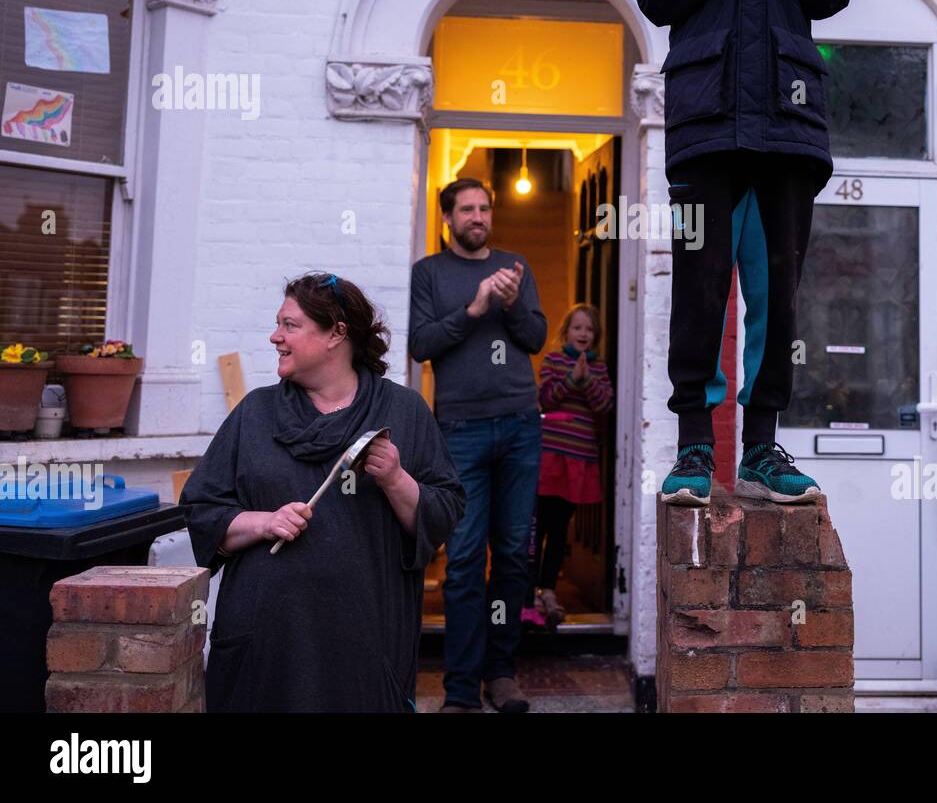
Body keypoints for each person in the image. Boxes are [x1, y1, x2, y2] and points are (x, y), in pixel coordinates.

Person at [631, 0, 851, 507]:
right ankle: (695, 442)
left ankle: (761, 447)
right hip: (705, 128)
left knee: (776, 296)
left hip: (786, 132)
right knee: (700, 290)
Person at [181, 273, 466, 713]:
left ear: (336, 332)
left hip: (363, 651)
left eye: (290, 325)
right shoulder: (255, 413)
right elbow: (202, 511)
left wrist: (395, 478)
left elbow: (444, 513)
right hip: (266, 648)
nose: (275, 337)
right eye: (278, 324)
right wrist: (263, 522)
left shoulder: (403, 412)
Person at [409, 177, 548, 713]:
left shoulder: (515, 265)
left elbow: (536, 337)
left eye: (484, 208)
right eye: (466, 209)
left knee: (512, 556)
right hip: (460, 432)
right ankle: (461, 688)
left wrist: (511, 305)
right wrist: (474, 308)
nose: (478, 217)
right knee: (465, 560)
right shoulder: (430, 273)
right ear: (447, 218)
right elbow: (421, 345)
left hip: (519, 425)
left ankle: (502, 673)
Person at [532, 304, 613, 628]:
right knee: (536, 527)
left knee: (559, 528)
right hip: (550, 456)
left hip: (578, 459)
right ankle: (529, 593)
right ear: (566, 332)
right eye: (577, 328)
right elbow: (546, 399)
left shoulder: (600, 369)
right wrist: (571, 379)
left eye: (589, 330)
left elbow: (605, 404)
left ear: (595, 337)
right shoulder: (553, 362)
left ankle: (549, 589)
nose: (583, 333)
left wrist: (587, 380)